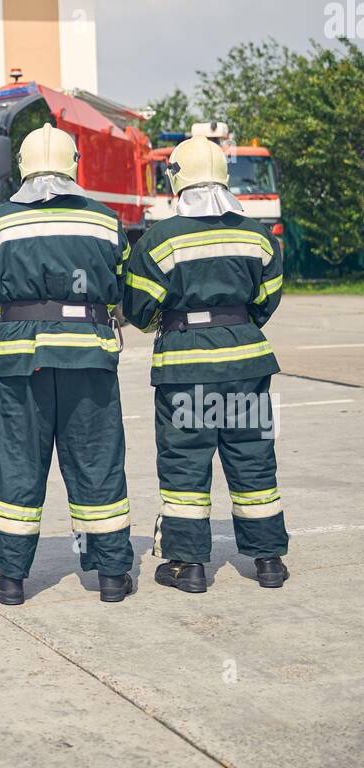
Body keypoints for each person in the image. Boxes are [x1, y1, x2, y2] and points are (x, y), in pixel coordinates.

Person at [0, 123, 134, 605]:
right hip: (90, 354)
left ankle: (11, 577)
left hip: (21, 359)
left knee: (19, 463)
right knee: (98, 462)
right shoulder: (106, 222)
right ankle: (111, 575)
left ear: (22, 167)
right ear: (73, 165)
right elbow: (120, 283)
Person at [123, 133, 288, 593]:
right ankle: (268, 560)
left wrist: (173, 320)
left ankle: (189, 565)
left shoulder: (160, 239)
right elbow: (266, 300)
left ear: (177, 179)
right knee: (253, 457)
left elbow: (139, 309)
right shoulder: (256, 235)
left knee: (185, 464)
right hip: (246, 362)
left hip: (185, 366)